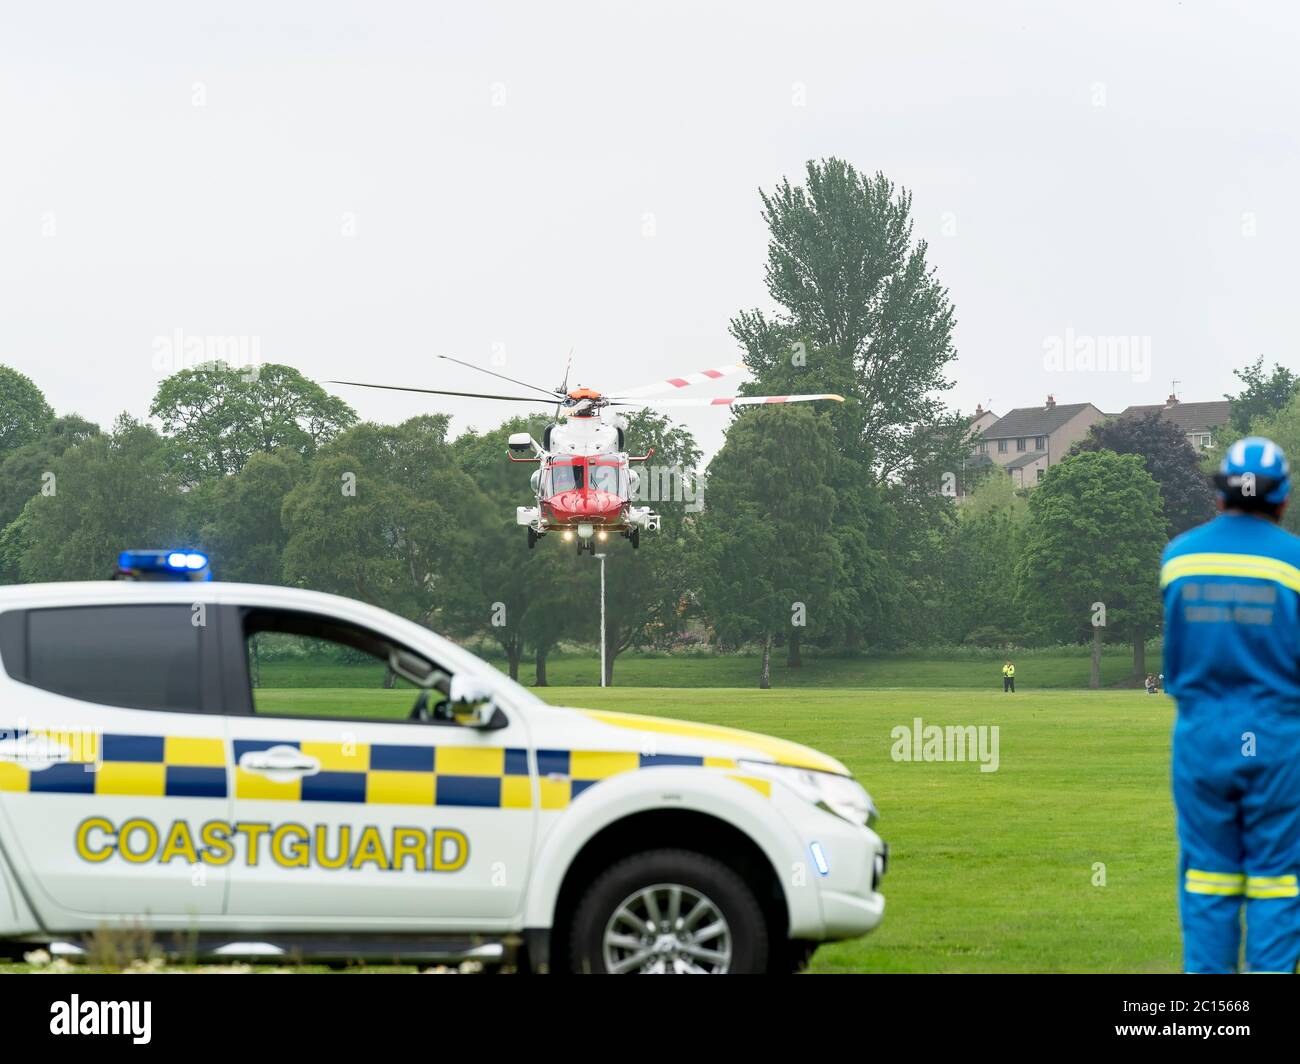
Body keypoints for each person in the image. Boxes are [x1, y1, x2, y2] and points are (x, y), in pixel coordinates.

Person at [1161, 436, 1300, 973]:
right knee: (1277, 880)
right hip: (1278, 738)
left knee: (1208, 878)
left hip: (1201, 736)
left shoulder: (1178, 559)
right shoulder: (1294, 562)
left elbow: (1177, 656)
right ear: (1282, 500)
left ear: (1219, 496)